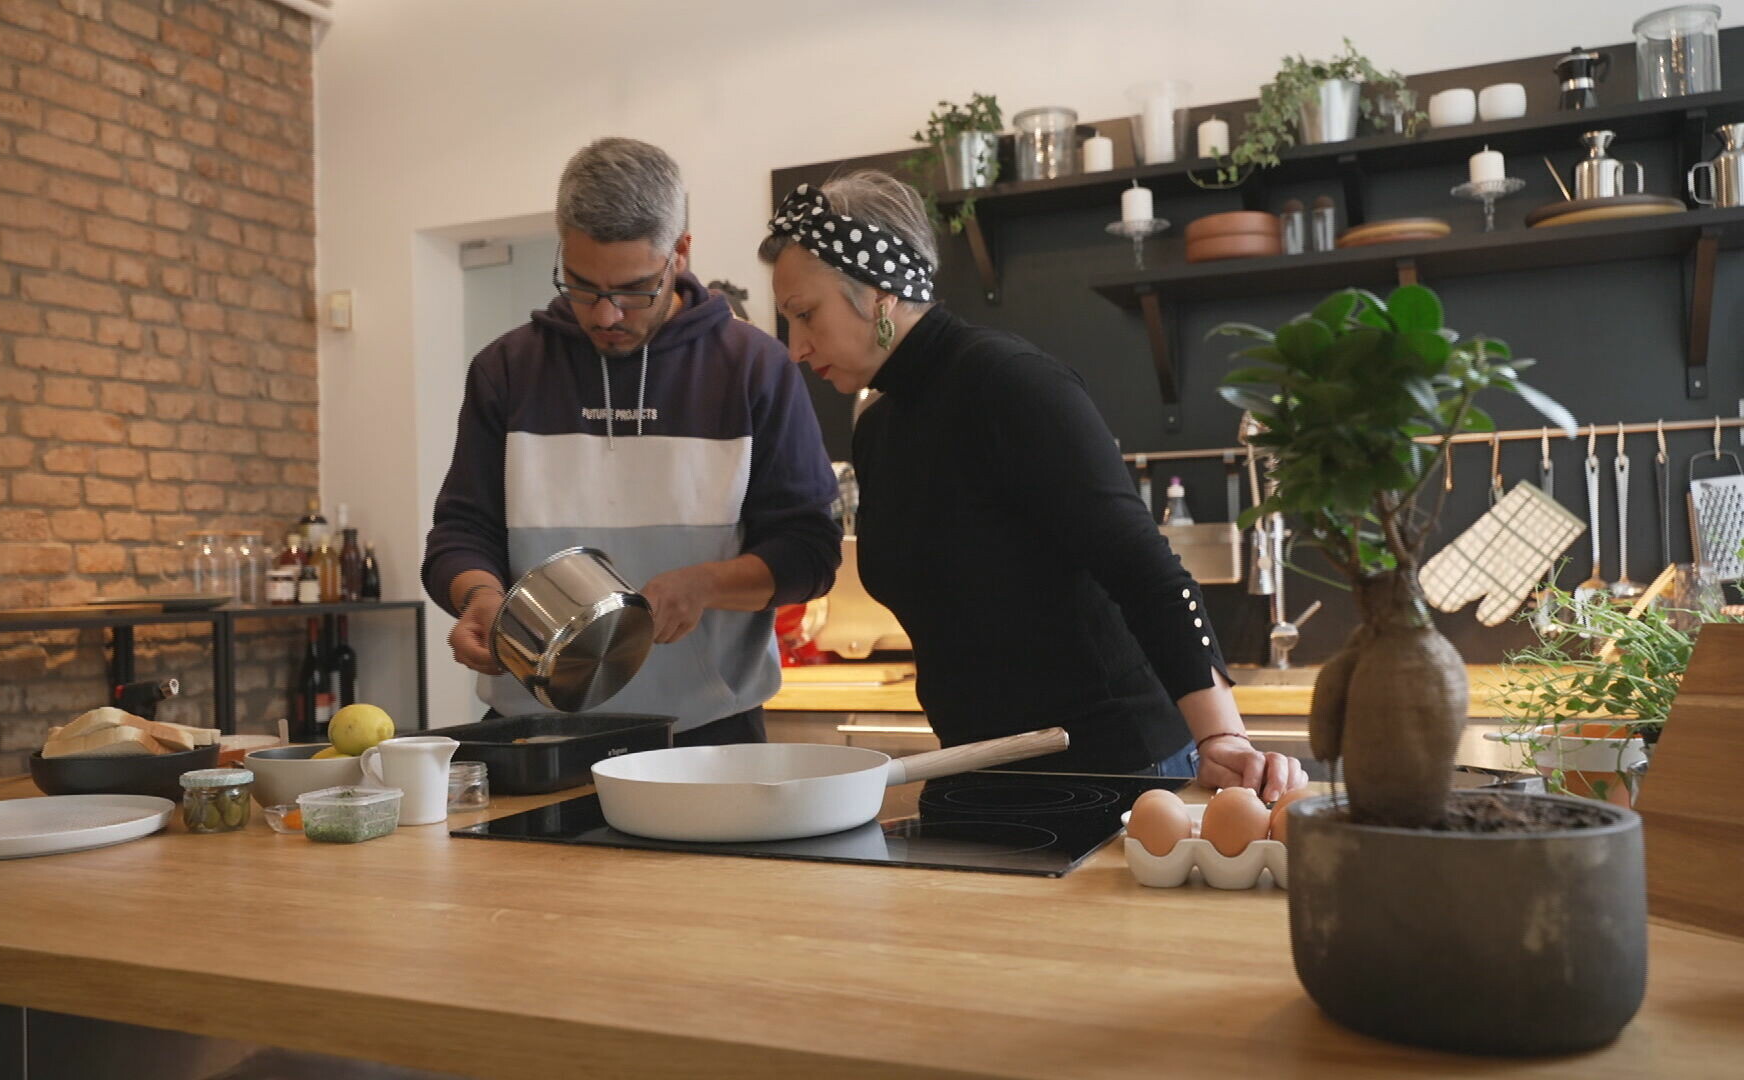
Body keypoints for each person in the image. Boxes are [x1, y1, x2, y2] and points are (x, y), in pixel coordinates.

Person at [758, 172, 1307, 799]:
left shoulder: (1011, 383)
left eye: (805, 314)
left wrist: (1222, 737)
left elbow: (1147, 571)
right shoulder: (878, 428)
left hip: (1111, 773)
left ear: (880, 292)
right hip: (976, 771)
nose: (795, 348)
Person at [424, 138, 841, 745]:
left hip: (707, 737)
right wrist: (481, 597)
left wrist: (705, 584)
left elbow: (809, 553)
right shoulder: (506, 370)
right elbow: (461, 533)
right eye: (581, 285)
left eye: (634, 289)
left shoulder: (754, 368)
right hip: (537, 735)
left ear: (681, 253)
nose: (606, 315)